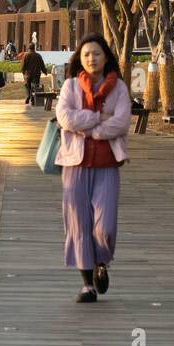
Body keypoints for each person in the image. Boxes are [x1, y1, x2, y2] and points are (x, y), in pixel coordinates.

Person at [55, 33, 132, 303]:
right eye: (86, 54)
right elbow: (65, 118)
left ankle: (102, 261)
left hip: (107, 165)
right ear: (80, 58)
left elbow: (121, 123)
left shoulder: (119, 88)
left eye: (96, 53)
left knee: (104, 226)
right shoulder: (70, 87)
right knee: (78, 224)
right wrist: (99, 119)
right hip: (74, 165)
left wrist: (88, 129)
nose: (91, 58)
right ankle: (87, 283)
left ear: (106, 57)